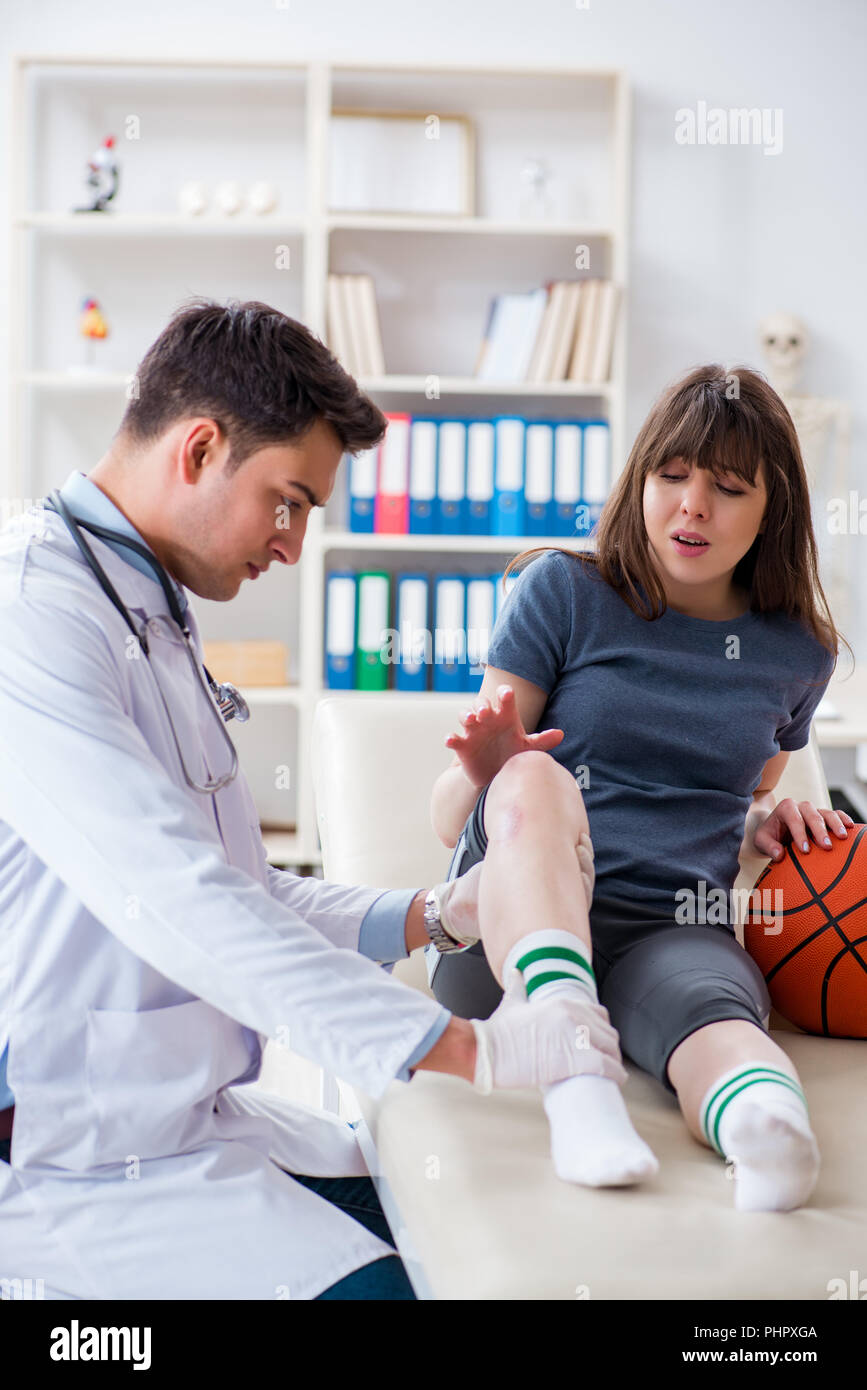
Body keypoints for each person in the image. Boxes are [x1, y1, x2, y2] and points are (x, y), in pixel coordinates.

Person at [0, 298, 627, 1301]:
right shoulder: (32, 610)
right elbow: (180, 897)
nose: (292, 544)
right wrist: (466, 1047)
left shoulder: (152, 607)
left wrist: (435, 916)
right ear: (199, 446)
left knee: (444, 1214)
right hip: (73, 1155)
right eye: (287, 500)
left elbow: (246, 886)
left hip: (180, 1109)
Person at [429, 363, 856, 1212]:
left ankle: (764, 1132)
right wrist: (487, 774)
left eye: (727, 486)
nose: (691, 504)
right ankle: (571, 1063)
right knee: (534, 775)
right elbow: (449, 819)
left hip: (669, 924)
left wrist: (771, 825)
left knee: (720, 1014)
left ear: (773, 509)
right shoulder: (566, 593)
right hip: (506, 926)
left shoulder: (796, 652)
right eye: (671, 476)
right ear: (642, 480)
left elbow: (732, 798)